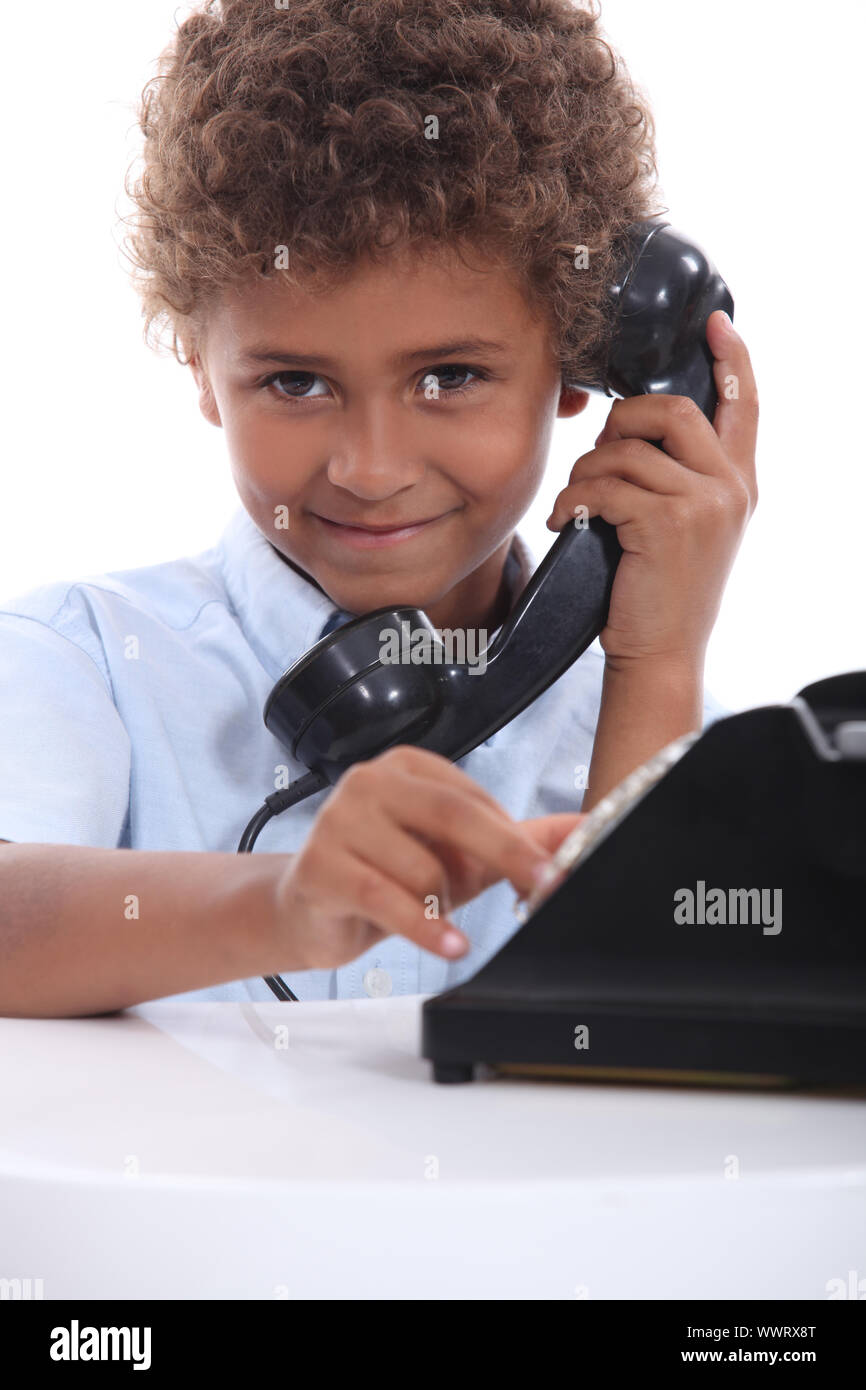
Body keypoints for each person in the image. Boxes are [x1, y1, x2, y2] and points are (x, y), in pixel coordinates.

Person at [0, 0, 758, 1015]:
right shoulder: (81, 658)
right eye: (296, 384)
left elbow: (658, 1066)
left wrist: (653, 666)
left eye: (447, 376)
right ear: (199, 365)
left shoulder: (688, 743)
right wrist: (279, 902)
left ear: (581, 367)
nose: (369, 467)